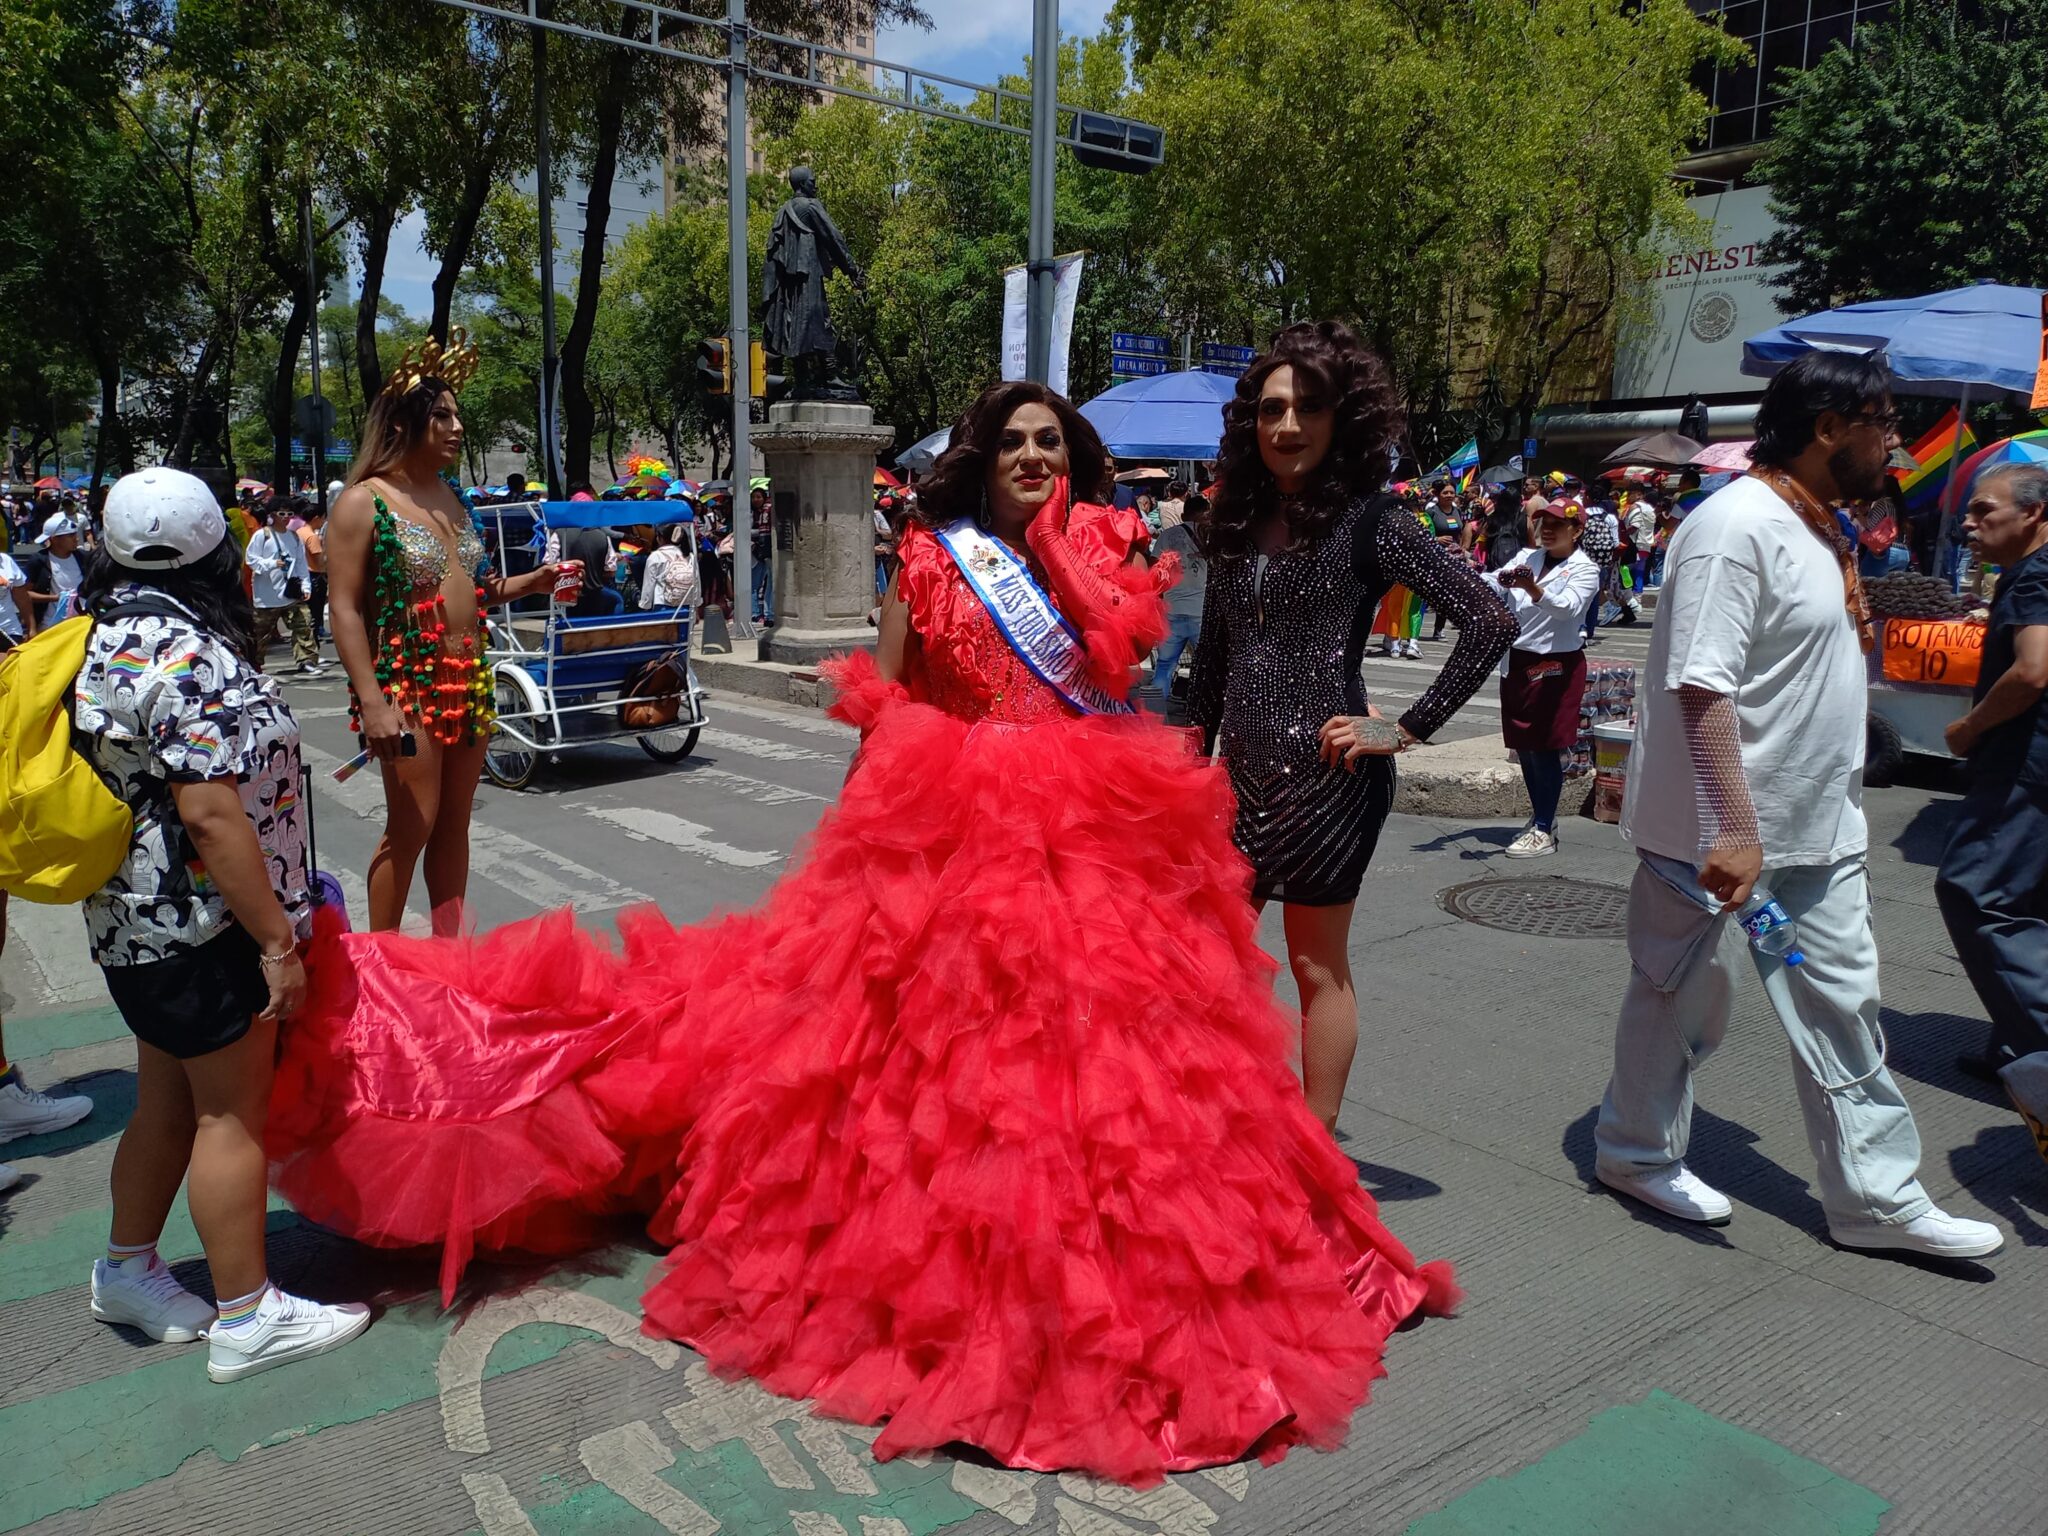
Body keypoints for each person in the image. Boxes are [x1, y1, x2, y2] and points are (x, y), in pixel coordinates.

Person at [264, 376, 1455, 1485]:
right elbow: (890, 705)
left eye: (1051, 443)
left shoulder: (1109, 543)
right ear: (980, 461)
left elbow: (1127, 675)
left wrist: (1085, 574)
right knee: (940, 1068)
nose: (1035, 458)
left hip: (1099, 820)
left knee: (1130, 1066)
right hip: (966, 819)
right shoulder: (935, 556)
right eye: (1015, 444)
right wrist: (868, 840)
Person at [1593, 352, 2003, 1260]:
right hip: (1714, 839)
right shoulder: (1735, 525)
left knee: (1844, 1009)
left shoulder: (1816, 526)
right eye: (1883, 421)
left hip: (1817, 830)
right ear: (1829, 427)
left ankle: (1875, 1200)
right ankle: (1633, 1152)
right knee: (1677, 1002)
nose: (1894, 439)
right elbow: (1701, 689)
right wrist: (1737, 829)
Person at [68, 466, 371, 1376]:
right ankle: (247, 1314)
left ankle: (125, 1267)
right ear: (215, 548)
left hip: (134, 927)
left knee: (167, 1097)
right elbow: (210, 815)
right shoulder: (186, 653)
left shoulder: (102, 638)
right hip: (204, 927)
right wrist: (278, 939)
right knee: (229, 1119)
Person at [1189, 322, 1514, 1133]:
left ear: (1345, 420)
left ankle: (1314, 1146)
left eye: (1309, 408)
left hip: (1330, 783)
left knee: (1313, 964)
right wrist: (1186, 762)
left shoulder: (1376, 522)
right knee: (1219, 962)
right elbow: (1216, 658)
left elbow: (1489, 618)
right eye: (1271, 410)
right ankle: (1232, 1117)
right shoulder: (1233, 523)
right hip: (1232, 782)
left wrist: (1405, 728)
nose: (1288, 426)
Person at [326, 331, 574, 934]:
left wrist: (533, 583)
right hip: (408, 684)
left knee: (455, 826)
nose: (456, 426)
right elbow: (345, 609)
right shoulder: (364, 502)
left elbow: (477, 590)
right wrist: (373, 701)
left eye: (456, 414)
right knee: (412, 825)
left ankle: (446, 958)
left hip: (469, 679)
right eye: (442, 415)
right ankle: (380, 966)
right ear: (406, 422)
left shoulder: (455, 498)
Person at [1936, 463, 2048, 1155]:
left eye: (1983, 511)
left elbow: (2035, 668)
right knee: (2030, 893)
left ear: (2035, 513)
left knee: (1977, 891)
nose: (1969, 526)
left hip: (2024, 761)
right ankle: (2015, 1041)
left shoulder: (2036, 577)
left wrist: (1969, 728)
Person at [1485, 498, 1601, 859]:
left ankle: (1543, 826)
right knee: (1524, 745)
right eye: (1542, 523)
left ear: (1577, 530)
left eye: (1557, 525)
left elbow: (1568, 607)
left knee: (1544, 745)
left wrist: (1533, 589)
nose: (1547, 530)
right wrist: (1468, 570)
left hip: (1554, 664)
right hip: (1518, 660)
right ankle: (1542, 818)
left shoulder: (1585, 570)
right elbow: (1497, 582)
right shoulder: (1528, 557)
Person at [245, 495, 322, 676]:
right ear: (272, 514)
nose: (286, 517)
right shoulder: (262, 535)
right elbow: (251, 559)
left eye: (289, 513)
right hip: (267, 596)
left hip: (291, 593)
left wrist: (306, 586)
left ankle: (306, 660)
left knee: (303, 625)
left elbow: (301, 563)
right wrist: (271, 564)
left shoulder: (294, 537)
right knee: (260, 634)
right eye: (281, 513)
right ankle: (253, 665)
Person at [1148, 490, 1207, 715]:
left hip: (1172, 610)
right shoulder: (1211, 535)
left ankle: (1154, 716)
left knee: (1164, 666)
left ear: (1184, 515)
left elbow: (1154, 569)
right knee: (1206, 667)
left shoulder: (1168, 536)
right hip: (1201, 611)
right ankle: (1202, 713)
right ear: (1205, 514)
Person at [17, 511, 86, 632]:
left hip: (79, 624)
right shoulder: (39, 560)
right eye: (70, 535)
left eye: (75, 534)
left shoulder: (83, 557)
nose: (76, 539)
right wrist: (55, 598)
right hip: (49, 626)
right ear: (54, 539)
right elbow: (25, 593)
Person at [638, 519, 701, 612]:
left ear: (661, 538)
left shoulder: (655, 556)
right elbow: (696, 581)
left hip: (662, 604)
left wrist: (645, 605)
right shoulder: (689, 556)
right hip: (686, 605)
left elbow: (649, 584)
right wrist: (696, 603)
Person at [749, 484, 773, 623]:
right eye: (754, 497)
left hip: (763, 549)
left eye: (758, 497)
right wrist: (761, 533)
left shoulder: (764, 511)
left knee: (767, 582)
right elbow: (746, 531)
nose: (756, 500)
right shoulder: (752, 513)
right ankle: (755, 613)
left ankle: (764, 612)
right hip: (755, 552)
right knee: (756, 583)